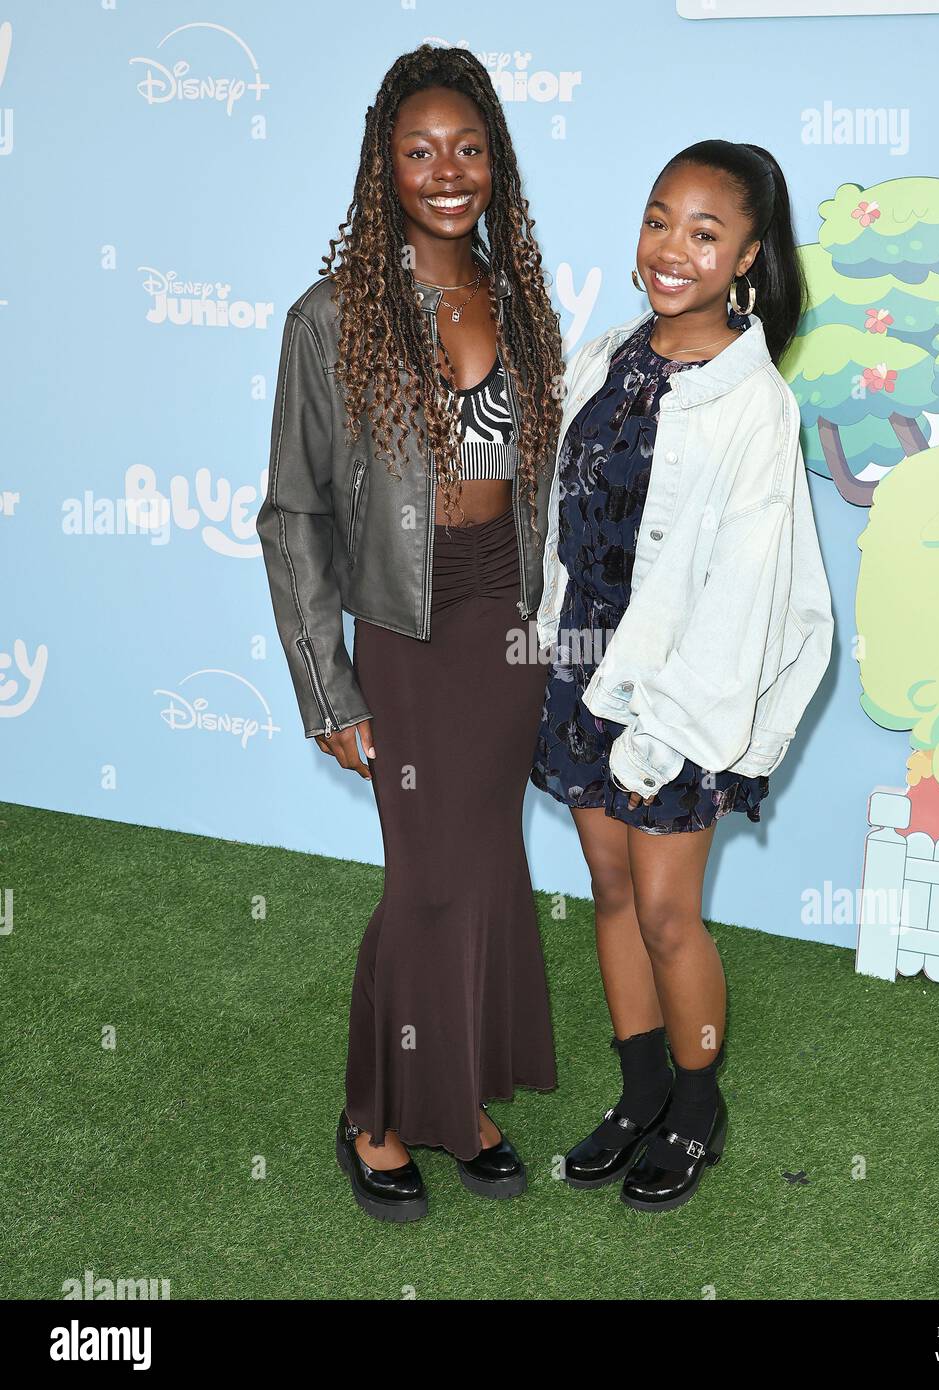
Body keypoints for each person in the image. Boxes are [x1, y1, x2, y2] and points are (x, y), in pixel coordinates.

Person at [257, 44, 564, 1222]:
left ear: (497, 162)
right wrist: (330, 692)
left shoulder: (515, 295)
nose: (448, 171)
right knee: (428, 878)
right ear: (384, 164)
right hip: (404, 618)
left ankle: (462, 1100)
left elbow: (531, 484)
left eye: (469, 148)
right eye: (421, 149)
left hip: (504, 617)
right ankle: (376, 1114)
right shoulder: (330, 318)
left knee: (482, 867)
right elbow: (292, 516)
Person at [531, 140, 834, 1212]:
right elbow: (563, 529)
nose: (673, 248)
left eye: (705, 232)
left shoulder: (754, 406)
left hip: (678, 697)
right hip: (582, 674)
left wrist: (664, 729)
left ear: (748, 255)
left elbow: (747, 592)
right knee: (609, 891)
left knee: (667, 911)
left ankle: (697, 1104)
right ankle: (638, 1089)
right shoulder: (606, 352)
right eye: (661, 219)